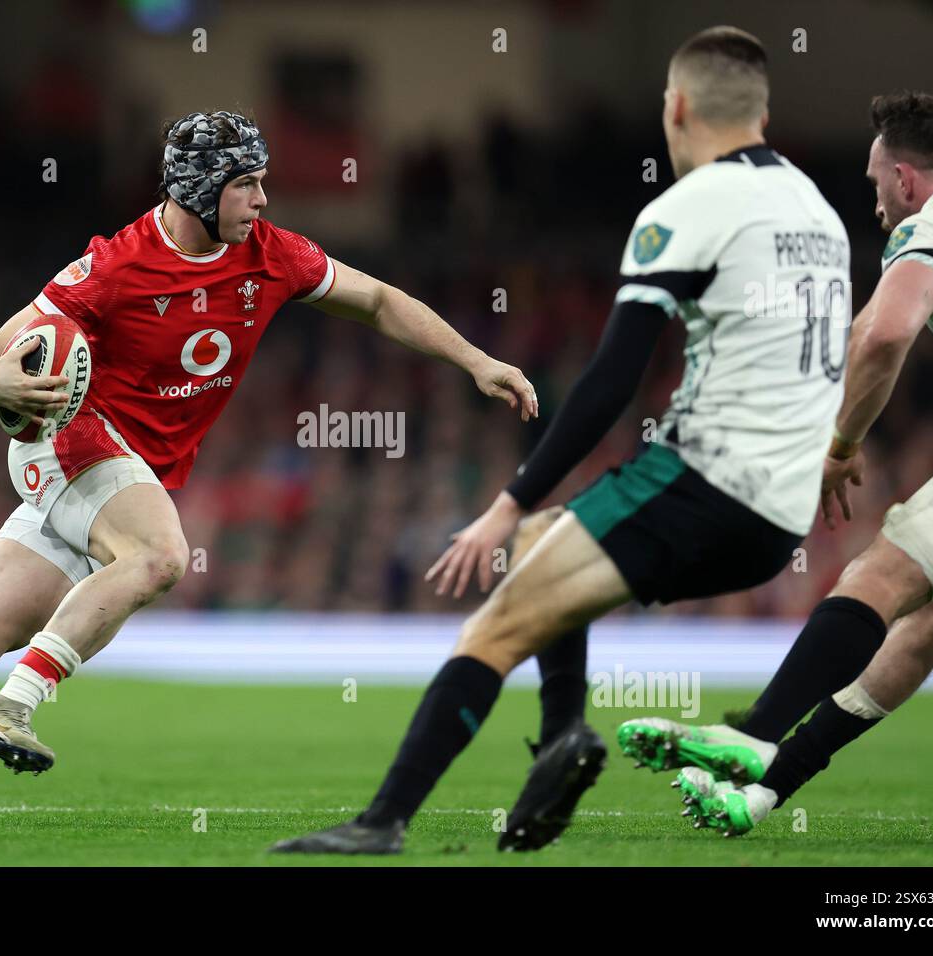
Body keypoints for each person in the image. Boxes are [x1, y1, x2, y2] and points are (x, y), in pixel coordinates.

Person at [0, 110, 538, 825]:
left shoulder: (272, 256)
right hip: (68, 439)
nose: (262, 201)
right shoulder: (112, 267)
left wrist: (475, 360)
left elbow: (380, 300)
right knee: (160, 556)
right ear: (200, 189)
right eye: (247, 185)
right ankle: (15, 705)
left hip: (114, 474)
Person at [273, 26, 853, 855]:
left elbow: (613, 379)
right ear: (761, 111)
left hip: (705, 485)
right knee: (551, 543)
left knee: (496, 625)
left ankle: (383, 822)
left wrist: (504, 505)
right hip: (781, 512)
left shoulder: (689, 207)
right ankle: (560, 740)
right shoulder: (818, 212)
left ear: (677, 107)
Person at [619, 91, 933, 836]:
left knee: (879, 577)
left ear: (907, 177)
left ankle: (755, 733)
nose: (879, 202)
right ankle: (763, 791)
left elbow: (884, 335)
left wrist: (841, 448)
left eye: (875, 182)